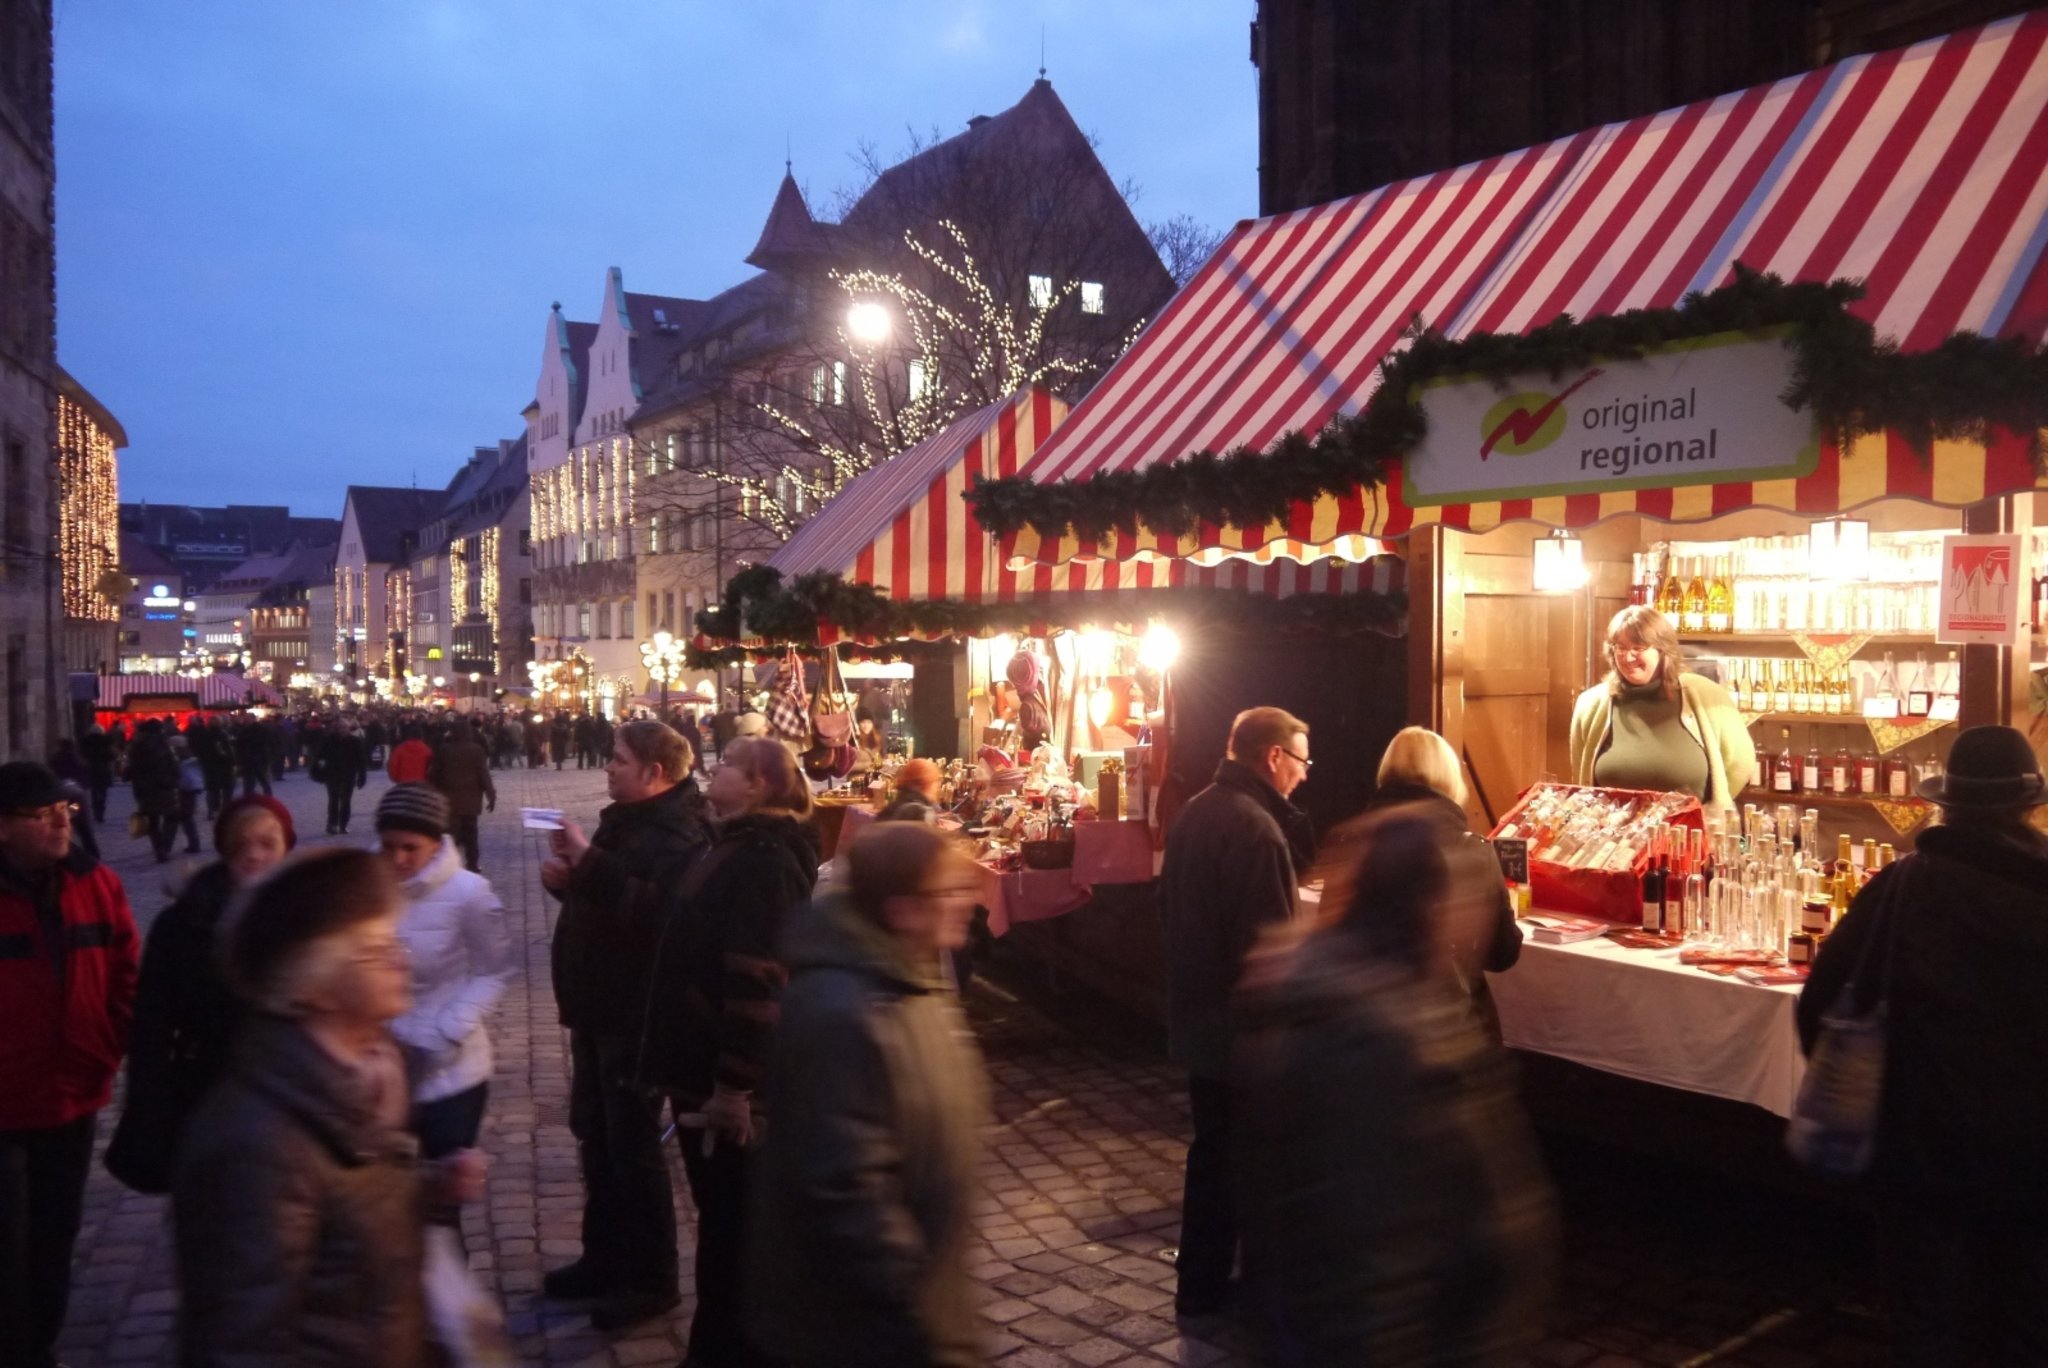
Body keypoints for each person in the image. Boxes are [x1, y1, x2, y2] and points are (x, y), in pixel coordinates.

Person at [1233, 809, 1557, 1365]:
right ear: (1425, 907)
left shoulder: (1397, 1011)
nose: (1474, 918)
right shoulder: (1368, 1041)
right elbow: (1369, 1244)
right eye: (1463, 900)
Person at [172, 847, 484, 1367]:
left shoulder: (365, 1074)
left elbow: (340, 1228)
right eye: (374, 948)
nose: (400, 957)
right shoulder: (254, 1148)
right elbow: (240, 1345)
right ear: (314, 985)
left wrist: (425, 1190)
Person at [1797, 725, 2048, 1366]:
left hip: (1918, 1146)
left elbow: (1822, 1003)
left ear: (1948, 804)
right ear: (2028, 806)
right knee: (2022, 1312)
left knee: (1927, 1317)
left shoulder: (1904, 887)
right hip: (2029, 1151)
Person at [748, 822, 987, 1368]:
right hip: (854, 1328)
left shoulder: (908, 979)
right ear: (903, 910)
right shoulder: (842, 1012)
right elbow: (844, 1188)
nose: (966, 902)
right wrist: (921, 1316)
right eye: (949, 891)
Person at [639, 734, 818, 1363]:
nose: (714, 773)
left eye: (728, 767)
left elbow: (757, 980)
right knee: (723, 1220)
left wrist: (735, 1086)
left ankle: (731, 1351)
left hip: (724, 1077)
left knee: (733, 1228)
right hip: (698, 1063)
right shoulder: (731, 846)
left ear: (759, 786)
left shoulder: (763, 861)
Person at [540, 720, 712, 1330]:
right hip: (597, 1001)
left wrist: (588, 864)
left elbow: (658, 916)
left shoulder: (681, 833)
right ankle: (604, 1257)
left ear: (653, 772)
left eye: (618, 760)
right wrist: (566, 880)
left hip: (635, 1009)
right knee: (597, 1135)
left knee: (632, 1143)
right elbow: (607, 898)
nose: (608, 768)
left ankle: (650, 1278)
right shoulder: (629, 819)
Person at [1157, 706, 1315, 1318]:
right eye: (1301, 761)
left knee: (1215, 1155)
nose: (1304, 776)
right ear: (1272, 756)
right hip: (1242, 1033)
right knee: (1243, 1162)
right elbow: (1270, 947)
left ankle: (1203, 1282)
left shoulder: (1197, 811)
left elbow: (1168, 913)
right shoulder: (1256, 829)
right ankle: (1236, 1290)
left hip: (1200, 1019)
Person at [0, 761, 140, 1368]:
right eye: (44, 815)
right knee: (7, 1246)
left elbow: (126, 972)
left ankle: (41, 1347)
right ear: (4, 827)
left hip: (74, 1089)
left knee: (55, 1236)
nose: (62, 824)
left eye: (67, 812)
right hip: (4, 1101)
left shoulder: (96, 883)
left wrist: (107, 1043)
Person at [105, 794, 296, 1194]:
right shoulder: (183, 923)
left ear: (286, 847)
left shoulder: (312, 918)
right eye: (241, 845)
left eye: (267, 843)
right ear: (225, 849)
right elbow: (152, 1026)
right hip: (208, 1092)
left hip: (292, 1094)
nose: (254, 855)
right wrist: (148, 1109)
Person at [375, 783, 512, 1165]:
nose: (398, 858)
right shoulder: (363, 887)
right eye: (388, 846)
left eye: (410, 847)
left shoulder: (470, 892)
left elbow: (493, 971)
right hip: (378, 1068)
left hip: (451, 1072)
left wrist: (450, 1027)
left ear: (436, 843)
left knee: (439, 1198)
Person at [1366, 726, 1521, 990]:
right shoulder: (1471, 850)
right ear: (1449, 777)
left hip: (1361, 1011)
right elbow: (1501, 953)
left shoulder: (1355, 838)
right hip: (1439, 1014)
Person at [1568, 605, 1755, 809]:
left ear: (1663, 650)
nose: (1627, 657)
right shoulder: (1591, 703)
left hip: (1688, 833)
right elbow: (1581, 771)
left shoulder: (1707, 696)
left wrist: (1710, 811)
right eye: (1620, 648)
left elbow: (1740, 764)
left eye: (1638, 648)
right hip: (1613, 838)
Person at [427, 719, 496, 874]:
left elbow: (435, 775)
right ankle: (472, 864)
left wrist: (433, 794)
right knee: (471, 835)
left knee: (451, 835)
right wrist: (491, 795)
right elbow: (484, 775)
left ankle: (449, 863)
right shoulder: (476, 750)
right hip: (471, 802)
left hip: (449, 801)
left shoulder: (445, 750)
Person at [127, 717, 183, 863]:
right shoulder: (164, 745)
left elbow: (130, 769)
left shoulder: (136, 746)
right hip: (164, 786)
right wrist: (175, 780)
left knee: (153, 821)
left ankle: (160, 850)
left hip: (144, 789)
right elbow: (174, 765)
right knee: (172, 817)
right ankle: (165, 847)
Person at [316, 720, 370, 835]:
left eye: (344, 728)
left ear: (348, 729)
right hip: (332, 774)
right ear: (336, 729)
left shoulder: (355, 741)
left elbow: (361, 760)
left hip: (348, 774)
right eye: (340, 728)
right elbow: (321, 756)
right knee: (333, 800)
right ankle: (332, 824)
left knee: (346, 801)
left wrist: (362, 775)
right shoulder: (329, 740)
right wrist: (319, 771)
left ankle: (343, 825)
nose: (342, 730)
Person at [170, 733, 206, 855]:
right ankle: (193, 843)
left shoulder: (180, 758)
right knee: (186, 818)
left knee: (184, 818)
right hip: (190, 789)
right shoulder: (189, 756)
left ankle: (193, 844)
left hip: (184, 790)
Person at [877, 758, 942, 824]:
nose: (937, 788)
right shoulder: (923, 813)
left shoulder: (891, 808)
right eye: (935, 781)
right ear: (927, 783)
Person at [80, 722, 117, 823]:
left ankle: (95, 809)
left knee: (94, 790)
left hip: (91, 769)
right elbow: (112, 755)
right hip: (103, 769)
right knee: (103, 792)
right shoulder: (106, 742)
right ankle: (100, 812)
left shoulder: (86, 742)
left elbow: (82, 755)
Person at [233, 718, 274, 797]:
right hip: (260, 758)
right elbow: (271, 742)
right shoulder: (263, 730)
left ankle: (248, 796)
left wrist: (240, 758)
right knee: (263, 779)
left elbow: (239, 745)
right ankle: (268, 796)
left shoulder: (244, 731)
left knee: (250, 781)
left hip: (249, 759)